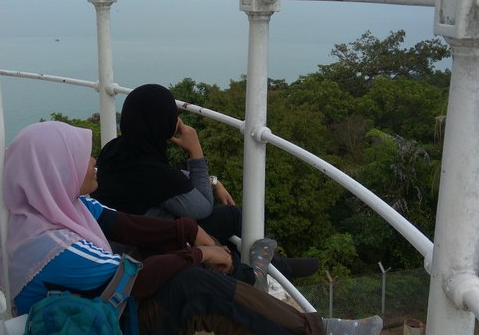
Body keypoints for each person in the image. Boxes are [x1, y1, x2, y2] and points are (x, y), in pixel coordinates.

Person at [0, 121, 382, 335]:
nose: (91, 162)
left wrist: (190, 231)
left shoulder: (52, 206)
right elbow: (134, 280)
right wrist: (198, 253)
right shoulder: (54, 247)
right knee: (193, 286)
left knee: (185, 262)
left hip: (91, 322)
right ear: (54, 173)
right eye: (79, 158)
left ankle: (251, 280)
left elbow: (126, 224)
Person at [92, 83, 320, 283]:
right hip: (145, 250)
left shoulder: (116, 150)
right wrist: (196, 152)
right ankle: (277, 270)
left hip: (123, 240)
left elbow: (170, 178)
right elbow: (201, 207)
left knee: (216, 229)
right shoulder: (153, 172)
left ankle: (269, 268)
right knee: (231, 215)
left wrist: (213, 181)